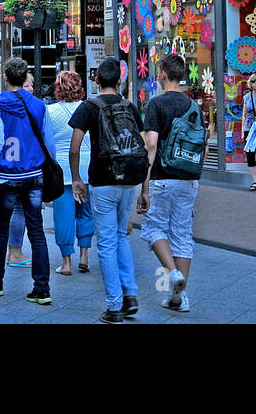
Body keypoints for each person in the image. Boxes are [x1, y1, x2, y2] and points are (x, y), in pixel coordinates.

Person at [69, 56, 147, 324]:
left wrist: (77, 177)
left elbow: (75, 147)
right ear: (120, 80)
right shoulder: (130, 106)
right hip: (130, 180)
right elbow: (144, 145)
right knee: (121, 236)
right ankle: (130, 294)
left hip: (103, 180)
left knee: (106, 243)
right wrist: (144, 187)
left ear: (97, 79)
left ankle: (114, 305)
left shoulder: (89, 106)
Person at [0, 58, 52, 305]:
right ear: (25, 79)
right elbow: (48, 140)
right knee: (36, 230)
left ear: (5, 79)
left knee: (0, 227)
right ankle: (42, 287)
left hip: (7, 174)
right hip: (33, 173)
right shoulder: (39, 105)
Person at [141, 53, 203, 314]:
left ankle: (173, 273)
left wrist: (144, 186)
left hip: (162, 178)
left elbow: (151, 144)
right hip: (189, 179)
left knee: (153, 228)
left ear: (163, 74)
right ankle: (182, 296)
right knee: (182, 234)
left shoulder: (156, 104)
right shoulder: (194, 106)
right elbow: (204, 147)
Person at [45, 70, 93, 276]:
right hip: (86, 167)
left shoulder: (50, 111)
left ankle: (66, 262)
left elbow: (47, 142)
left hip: (62, 170)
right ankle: (84, 255)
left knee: (63, 214)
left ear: (58, 88)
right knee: (85, 212)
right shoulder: (89, 108)